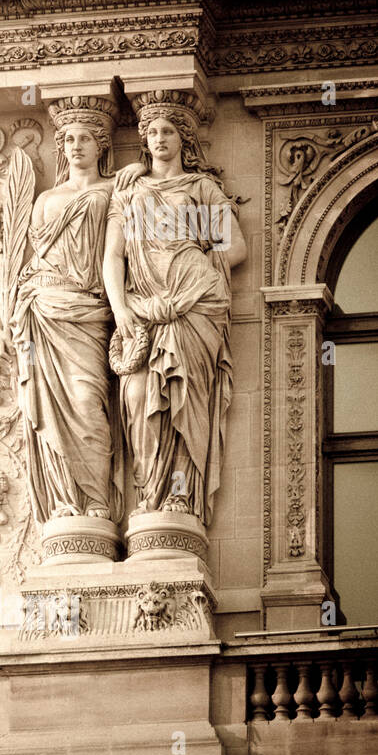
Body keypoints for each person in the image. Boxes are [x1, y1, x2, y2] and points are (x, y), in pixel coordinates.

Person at [103, 91, 247, 524]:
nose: (159, 138)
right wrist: (123, 309)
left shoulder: (201, 187)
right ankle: (149, 490)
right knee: (138, 394)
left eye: (168, 130)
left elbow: (235, 246)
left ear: (183, 138)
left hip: (194, 309)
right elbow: (113, 256)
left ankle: (180, 496)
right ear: (143, 141)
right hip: (144, 308)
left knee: (187, 398)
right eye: (151, 132)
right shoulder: (128, 193)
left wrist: (196, 279)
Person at [0, 97, 121, 523]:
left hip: (89, 310)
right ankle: (67, 501)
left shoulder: (115, 190)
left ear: (101, 145)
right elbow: (20, 259)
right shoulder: (47, 198)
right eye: (68, 139)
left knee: (87, 403)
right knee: (46, 410)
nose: (76, 145)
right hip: (42, 308)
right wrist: (2, 313)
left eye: (85, 138)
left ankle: (97, 500)